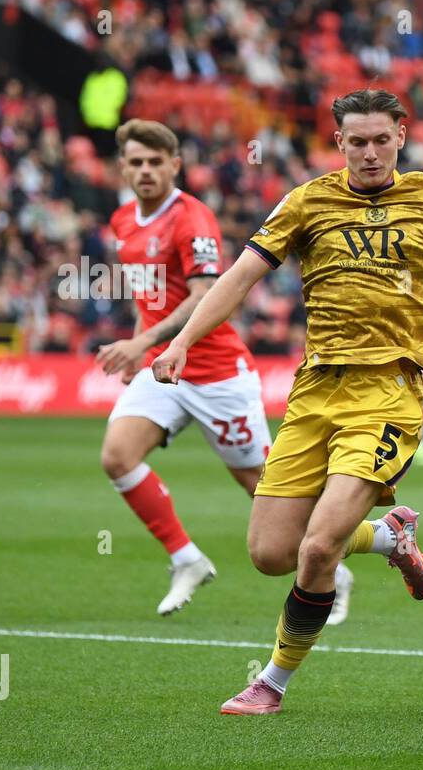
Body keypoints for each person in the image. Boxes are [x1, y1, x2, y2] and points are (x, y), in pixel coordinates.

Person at [150, 89, 423, 714]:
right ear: (339, 143)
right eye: (356, 141)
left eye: (380, 140)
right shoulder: (307, 201)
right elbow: (240, 277)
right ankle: (391, 538)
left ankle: (272, 682)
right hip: (315, 392)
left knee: (316, 550)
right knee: (270, 554)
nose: (369, 153)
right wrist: (183, 340)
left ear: (401, 136)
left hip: (388, 392)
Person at [96, 119, 286, 616]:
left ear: (174, 166)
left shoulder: (192, 219)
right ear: (122, 168)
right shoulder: (121, 222)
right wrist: (141, 349)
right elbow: (152, 298)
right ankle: (187, 559)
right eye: (135, 162)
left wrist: (141, 340)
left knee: (265, 491)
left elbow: (202, 296)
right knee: (117, 456)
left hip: (217, 370)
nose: (145, 171)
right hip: (162, 370)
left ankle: (333, 562)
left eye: (155, 162)